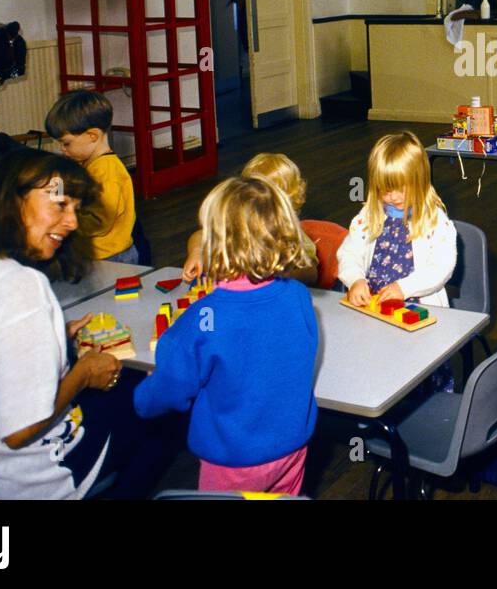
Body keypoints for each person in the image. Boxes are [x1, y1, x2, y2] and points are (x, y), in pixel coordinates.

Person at [0, 148, 183, 498]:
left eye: (75, 209)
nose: (73, 222)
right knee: (168, 403)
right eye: (60, 204)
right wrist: (83, 374)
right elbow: (20, 429)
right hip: (26, 479)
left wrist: (52, 337)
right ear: (11, 200)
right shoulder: (20, 285)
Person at [135, 177, 319, 495]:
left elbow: (166, 392)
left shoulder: (203, 318)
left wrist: (141, 396)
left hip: (234, 461)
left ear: (213, 243)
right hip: (292, 447)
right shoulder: (299, 296)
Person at [338, 131, 457, 310]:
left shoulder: (435, 221)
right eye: (385, 190)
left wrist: (404, 288)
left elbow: (441, 267)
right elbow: (349, 253)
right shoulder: (369, 215)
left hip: (419, 306)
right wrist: (355, 279)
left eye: (401, 189)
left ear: (420, 181)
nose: (393, 197)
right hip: (375, 305)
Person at [181, 153, 327, 288]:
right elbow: (200, 235)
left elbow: (310, 273)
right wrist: (196, 253)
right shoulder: (236, 226)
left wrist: (280, 277)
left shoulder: (293, 236)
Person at [45, 90, 137, 263]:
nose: (63, 149)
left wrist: (61, 220)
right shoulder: (88, 164)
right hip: (102, 254)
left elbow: (99, 221)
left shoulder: (105, 171)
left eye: (66, 143)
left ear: (92, 135)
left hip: (110, 257)